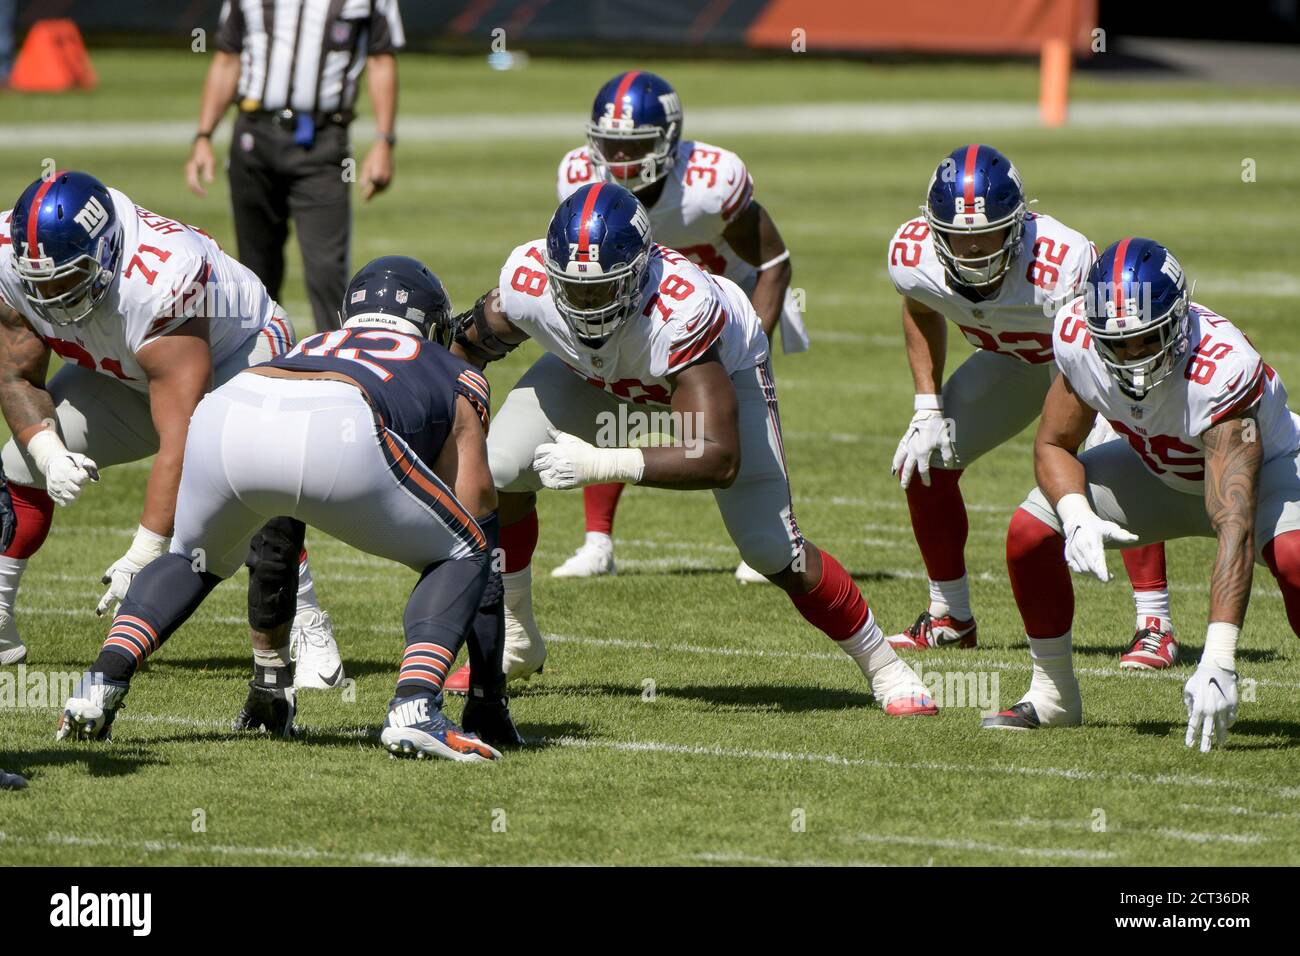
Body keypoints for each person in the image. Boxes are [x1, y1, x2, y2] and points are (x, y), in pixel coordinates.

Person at [445, 182, 935, 716]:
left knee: (773, 549)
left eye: (601, 289)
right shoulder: (527, 281)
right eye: (573, 288)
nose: (585, 303)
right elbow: (466, 347)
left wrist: (600, 462)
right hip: (592, 376)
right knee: (498, 467)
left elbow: (718, 457)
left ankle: (886, 666)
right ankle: (516, 637)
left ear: (636, 273)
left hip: (715, 372)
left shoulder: (679, 311)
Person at [57, 256, 516, 760]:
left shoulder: (313, 345)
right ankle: (414, 706)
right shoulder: (452, 368)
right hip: (340, 422)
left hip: (231, 409)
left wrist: (271, 678)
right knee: (467, 549)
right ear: (431, 322)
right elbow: (478, 510)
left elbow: (276, 544)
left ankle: (100, 682)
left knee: (193, 560)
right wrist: (487, 697)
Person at [0, 170, 341, 690]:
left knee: (256, 485)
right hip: (124, 364)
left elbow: (180, 438)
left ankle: (308, 625)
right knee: (17, 464)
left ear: (108, 252)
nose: (53, 300)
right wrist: (49, 454)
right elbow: (15, 374)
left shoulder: (161, 278)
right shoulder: (11, 259)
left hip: (236, 352)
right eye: (40, 285)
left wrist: (144, 552)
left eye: (68, 281)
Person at [985, 238, 1300, 751]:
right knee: (1030, 531)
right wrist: (1076, 512)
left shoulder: (1220, 368)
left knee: (1293, 557)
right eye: (1118, 343)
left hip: (1267, 475)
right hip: (1159, 470)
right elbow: (1052, 443)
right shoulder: (1077, 339)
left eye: (1147, 340)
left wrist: (1219, 657)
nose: (1132, 358)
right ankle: (1053, 695)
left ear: (1178, 321)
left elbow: (1234, 522)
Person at [884, 144, 1177, 670]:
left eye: (986, 235)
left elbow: (1098, 346)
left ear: (1017, 224)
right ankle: (950, 616)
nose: (972, 251)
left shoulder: (1060, 261)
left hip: (1079, 368)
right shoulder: (913, 256)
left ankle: (1154, 623)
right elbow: (920, 307)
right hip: (1008, 360)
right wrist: (926, 406)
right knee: (925, 458)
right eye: (958, 237)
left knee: (1114, 463)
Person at [546, 70, 805, 587]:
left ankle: (771, 538)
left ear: (667, 140)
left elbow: (774, 261)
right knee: (611, 397)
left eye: (636, 145)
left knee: (736, 429)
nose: (621, 161)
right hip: (638, 310)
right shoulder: (577, 174)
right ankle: (598, 540)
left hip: (724, 315)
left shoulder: (710, 185)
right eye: (609, 145)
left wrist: (752, 342)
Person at [185, 0, 405, 333]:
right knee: (255, 273)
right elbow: (227, 57)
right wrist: (204, 136)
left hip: (325, 140)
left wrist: (384, 141)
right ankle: (256, 372)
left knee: (327, 272)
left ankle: (336, 372)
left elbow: (380, 60)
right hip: (254, 134)